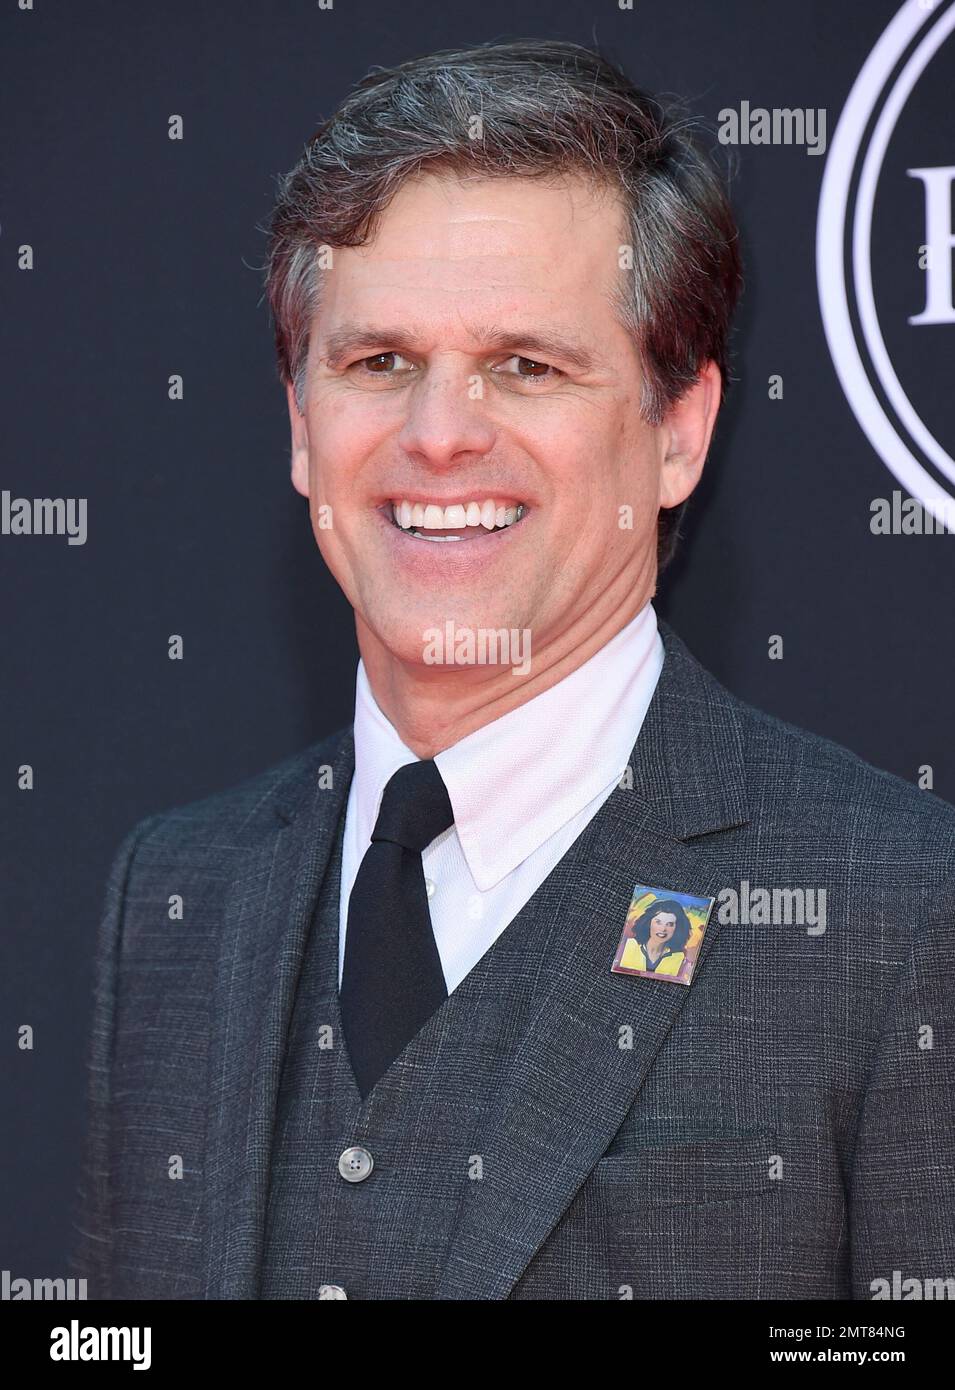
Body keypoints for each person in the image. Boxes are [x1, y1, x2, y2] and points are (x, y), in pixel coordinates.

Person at [70, 38, 955, 1301]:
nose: (439, 435)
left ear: (677, 433)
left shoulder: (902, 912)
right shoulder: (173, 896)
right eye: (379, 363)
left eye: (524, 367)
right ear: (299, 424)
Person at [619, 901, 692, 977]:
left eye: (670, 924)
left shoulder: (679, 958)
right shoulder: (627, 946)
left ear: (677, 928)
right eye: (658, 922)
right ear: (649, 923)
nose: (663, 929)